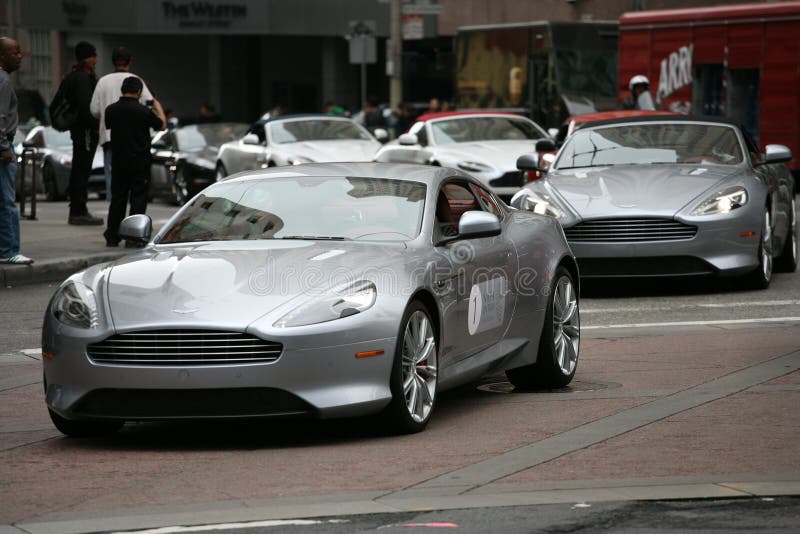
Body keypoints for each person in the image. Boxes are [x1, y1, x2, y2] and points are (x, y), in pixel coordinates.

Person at [103, 76, 166, 247]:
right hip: (139, 161)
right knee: (138, 198)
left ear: (122, 90)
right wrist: (156, 105)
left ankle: (112, 236)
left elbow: (108, 126)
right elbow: (162, 125)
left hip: (118, 161)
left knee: (118, 198)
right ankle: (133, 237)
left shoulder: (111, 110)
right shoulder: (143, 111)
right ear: (138, 92)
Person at [90, 46, 154, 202]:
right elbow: (149, 105)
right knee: (136, 177)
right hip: (135, 140)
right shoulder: (137, 80)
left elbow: (94, 110)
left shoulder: (103, 82)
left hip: (110, 137)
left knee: (113, 176)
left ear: (113, 62)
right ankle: (134, 210)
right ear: (130, 62)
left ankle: (115, 209)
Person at [61, 41, 103, 225]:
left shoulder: (74, 75)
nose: (95, 60)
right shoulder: (83, 78)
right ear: (87, 58)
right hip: (84, 129)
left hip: (79, 129)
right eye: (93, 56)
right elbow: (88, 108)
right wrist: (95, 125)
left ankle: (78, 208)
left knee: (80, 167)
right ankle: (79, 210)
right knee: (82, 168)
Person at [0, 37, 33, 264]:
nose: (19, 56)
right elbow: (0, 117)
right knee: (7, 201)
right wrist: (4, 147)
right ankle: (9, 250)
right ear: (2, 56)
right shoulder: (2, 81)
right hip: (3, 147)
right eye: (15, 53)